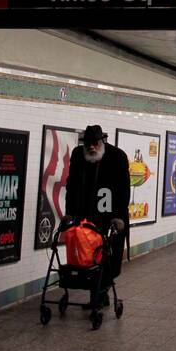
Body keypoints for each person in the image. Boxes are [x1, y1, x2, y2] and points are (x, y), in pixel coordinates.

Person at [62, 125, 130, 306]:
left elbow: (123, 190)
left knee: (109, 258)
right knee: (87, 257)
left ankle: (101, 291)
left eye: (95, 144)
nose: (91, 148)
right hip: (85, 218)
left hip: (111, 218)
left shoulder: (117, 157)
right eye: (88, 144)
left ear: (102, 142)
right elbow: (71, 185)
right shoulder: (78, 155)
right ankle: (97, 293)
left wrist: (119, 217)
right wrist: (69, 212)